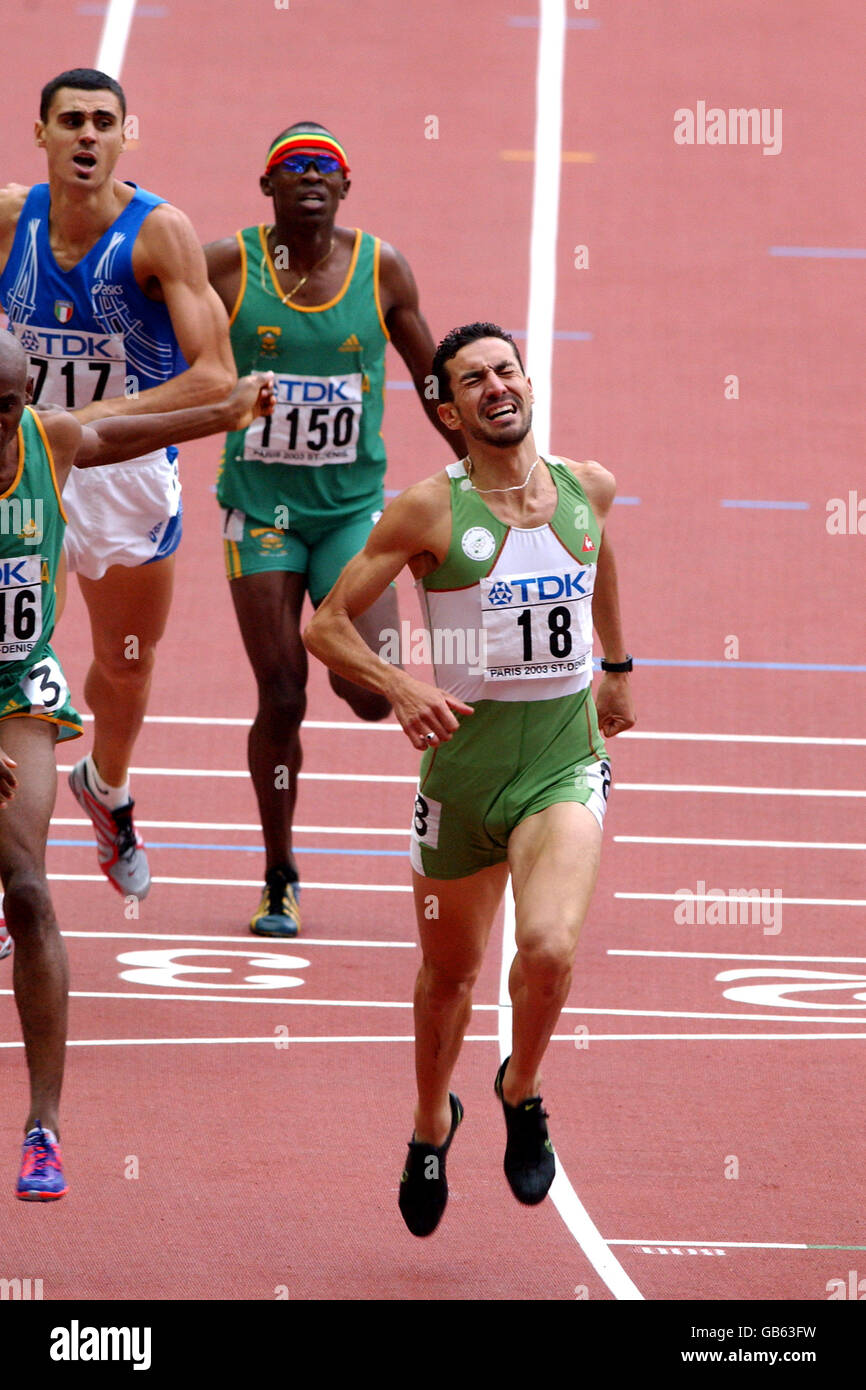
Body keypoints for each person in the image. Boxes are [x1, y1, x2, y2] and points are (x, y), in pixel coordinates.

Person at [304, 322, 636, 1235]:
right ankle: (429, 1122)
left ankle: (520, 1087)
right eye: (472, 380)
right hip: (459, 780)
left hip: (563, 765)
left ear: (527, 383)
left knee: (551, 947)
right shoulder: (428, 511)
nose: (495, 386)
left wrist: (617, 664)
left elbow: (597, 552)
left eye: (505, 369)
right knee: (449, 978)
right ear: (448, 410)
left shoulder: (586, 488)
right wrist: (402, 684)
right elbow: (325, 629)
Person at [0, 329, 270, 1199]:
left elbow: (130, 436)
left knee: (28, 887)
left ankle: (43, 1126)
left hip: (16, 689)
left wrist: (222, 411)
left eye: (7, 406)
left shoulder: (53, 440)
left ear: (26, 398)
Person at [205, 122, 463, 938]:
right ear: (267, 187)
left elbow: (432, 383)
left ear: (345, 189)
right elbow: (165, 341)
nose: (310, 177)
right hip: (263, 514)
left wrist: (482, 473)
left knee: (368, 692)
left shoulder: (381, 269)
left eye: (325, 168)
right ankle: (279, 873)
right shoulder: (227, 267)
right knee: (282, 692)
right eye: (292, 167)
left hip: (352, 513)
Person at [0, 67, 236, 903]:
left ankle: (105, 785)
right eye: (71, 121)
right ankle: (12, 871)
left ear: (124, 136)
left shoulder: (159, 234)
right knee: (18, 659)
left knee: (124, 665)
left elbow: (215, 377)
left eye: (105, 121)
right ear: (42, 135)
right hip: (24, 467)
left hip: (128, 471)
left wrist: (96, 419)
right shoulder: (9, 220)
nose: (88, 135)